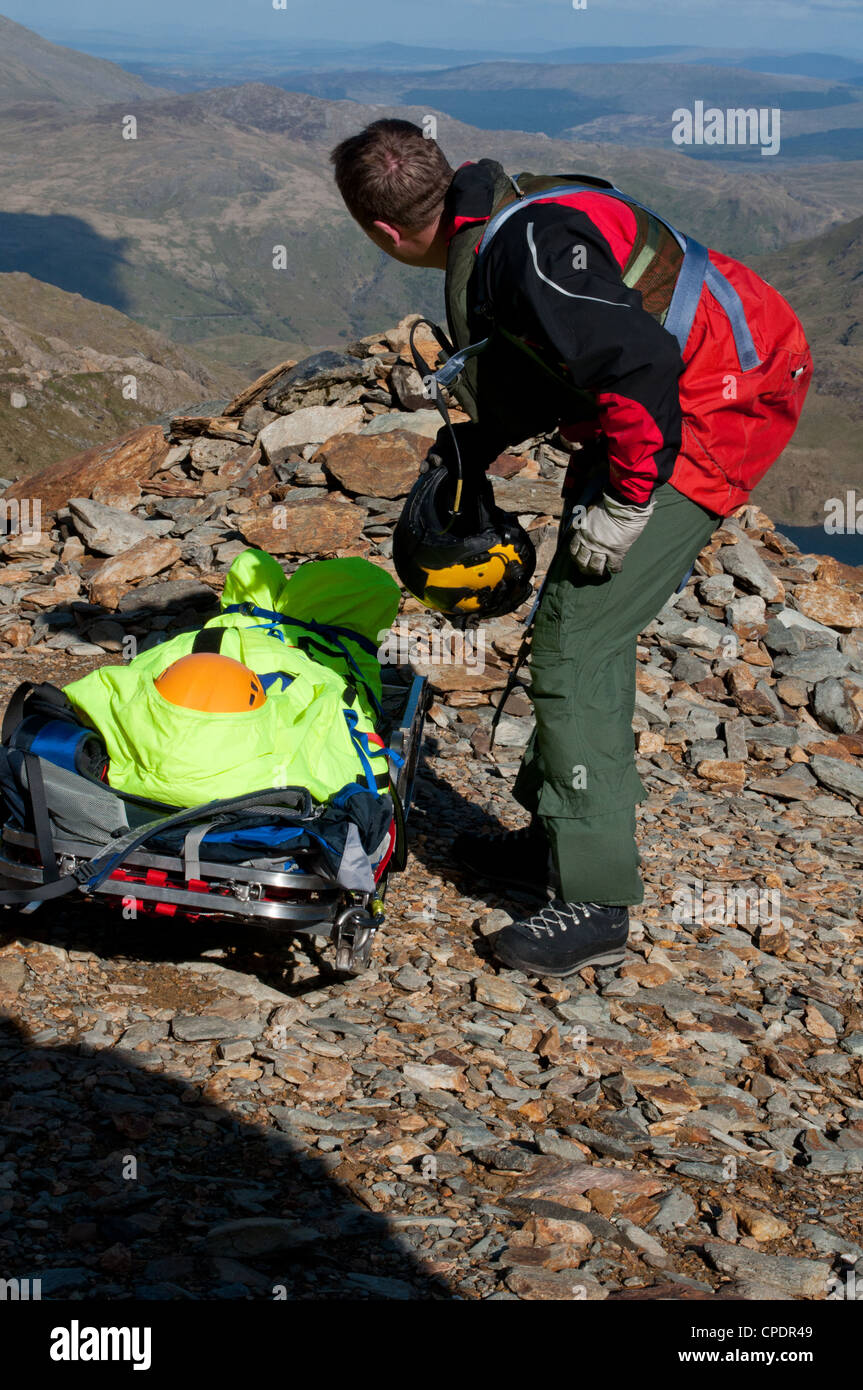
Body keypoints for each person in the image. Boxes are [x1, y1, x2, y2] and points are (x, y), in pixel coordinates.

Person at [329, 118, 812, 978]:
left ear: (381, 232)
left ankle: (592, 900)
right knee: (574, 622)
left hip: (715, 404)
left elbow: (636, 368)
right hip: (679, 393)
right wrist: (483, 442)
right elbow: (555, 350)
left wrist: (626, 502)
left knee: (572, 643)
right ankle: (556, 836)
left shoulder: (524, 248)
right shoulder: (504, 214)